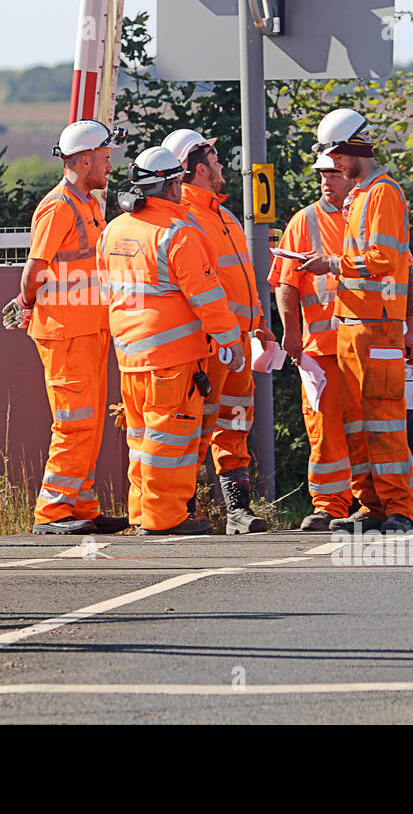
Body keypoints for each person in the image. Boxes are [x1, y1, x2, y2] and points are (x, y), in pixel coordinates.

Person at [271, 151, 413, 531]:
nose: (328, 180)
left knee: (382, 423)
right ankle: (352, 505)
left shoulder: (372, 202)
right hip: (328, 345)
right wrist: (291, 332)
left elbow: (396, 268)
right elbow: (286, 282)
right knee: (343, 430)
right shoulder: (313, 219)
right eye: (323, 175)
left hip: (372, 331)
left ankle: (403, 505)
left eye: (334, 172)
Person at [97, 146, 245, 535]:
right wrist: (230, 339)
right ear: (172, 184)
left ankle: (142, 512)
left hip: (130, 354)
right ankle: (166, 517)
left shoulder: (114, 229)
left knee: (142, 438)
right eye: (179, 182)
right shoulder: (178, 233)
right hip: (173, 356)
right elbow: (207, 296)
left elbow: (107, 287)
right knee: (171, 437)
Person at [3, 119, 129, 535]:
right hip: (65, 334)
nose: (110, 166)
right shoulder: (58, 207)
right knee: (74, 423)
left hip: (87, 331)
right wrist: (25, 303)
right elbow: (34, 270)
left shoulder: (88, 204)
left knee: (88, 424)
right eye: (106, 159)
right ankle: (53, 512)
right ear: (85, 159)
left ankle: (82, 505)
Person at [162, 128, 271, 534]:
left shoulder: (224, 217)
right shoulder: (185, 219)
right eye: (215, 158)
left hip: (239, 342)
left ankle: (237, 511)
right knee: (199, 426)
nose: (222, 164)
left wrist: (258, 324)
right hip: (210, 346)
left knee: (236, 423)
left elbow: (244, 278)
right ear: (197, 166)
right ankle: (183, 508)